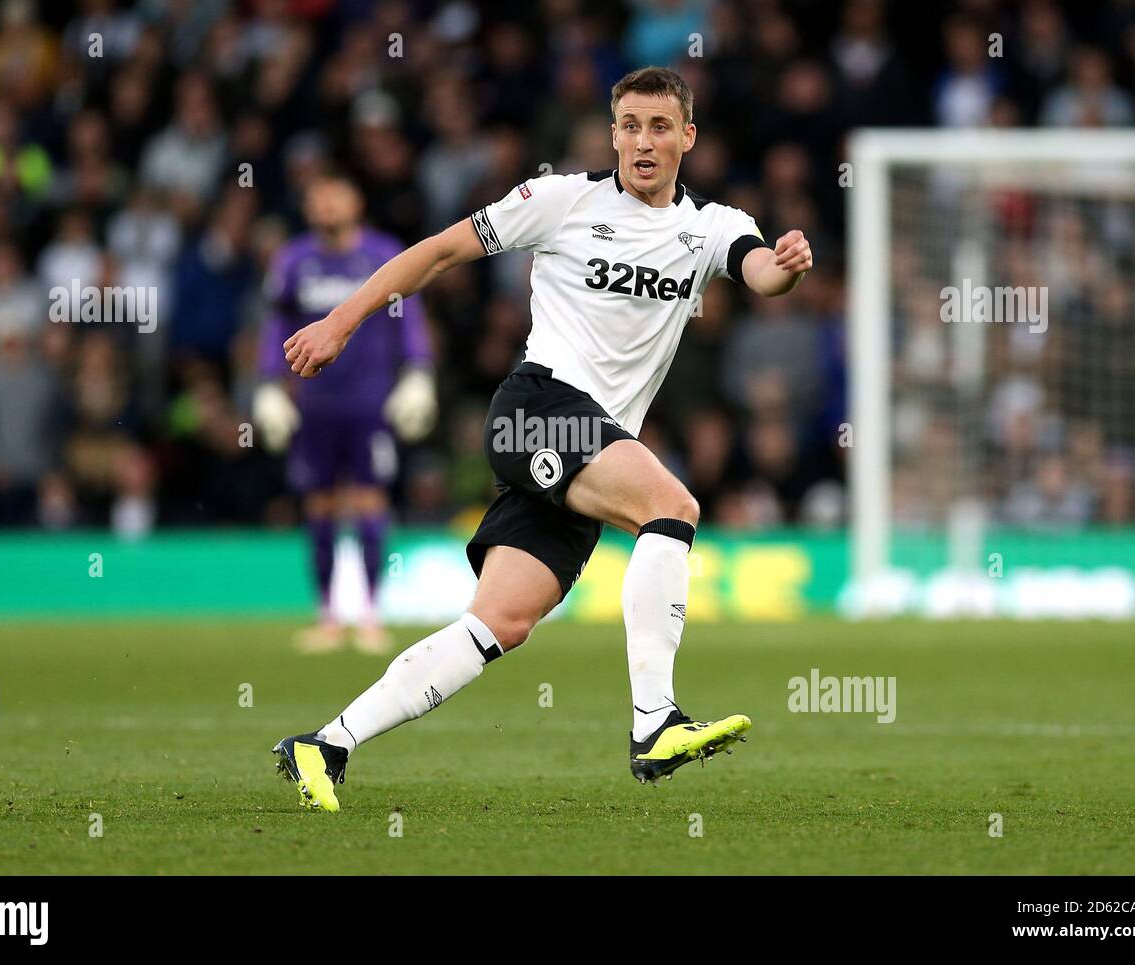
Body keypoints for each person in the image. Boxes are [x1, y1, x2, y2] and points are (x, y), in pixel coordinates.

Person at [274, 67, 812, 811]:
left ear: (688, 136)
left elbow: (758, 275)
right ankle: (654, 722)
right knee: (673, 506)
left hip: (593, 446)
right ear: (612, 131)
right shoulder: (561, 199)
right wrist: (341, 320)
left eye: (660, 127)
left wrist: (784, 266)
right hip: (537, 409)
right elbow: (435, 252)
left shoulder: (713, 226)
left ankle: (325, 743)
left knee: (499, 623)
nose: (642, 141)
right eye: (629, 124)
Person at [255, 174, 435, 654]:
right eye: (319, 195)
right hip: (313, 401)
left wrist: (418, 371)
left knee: (371, 500)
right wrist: (270, 383)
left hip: (370, 400)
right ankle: (328, 615)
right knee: (318, 505)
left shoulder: (381, 253)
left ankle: (372, 613)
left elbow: (407, 315)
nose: (328, 202)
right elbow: (277, 323)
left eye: (337, 193)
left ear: (356, 201)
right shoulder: (293, 259)